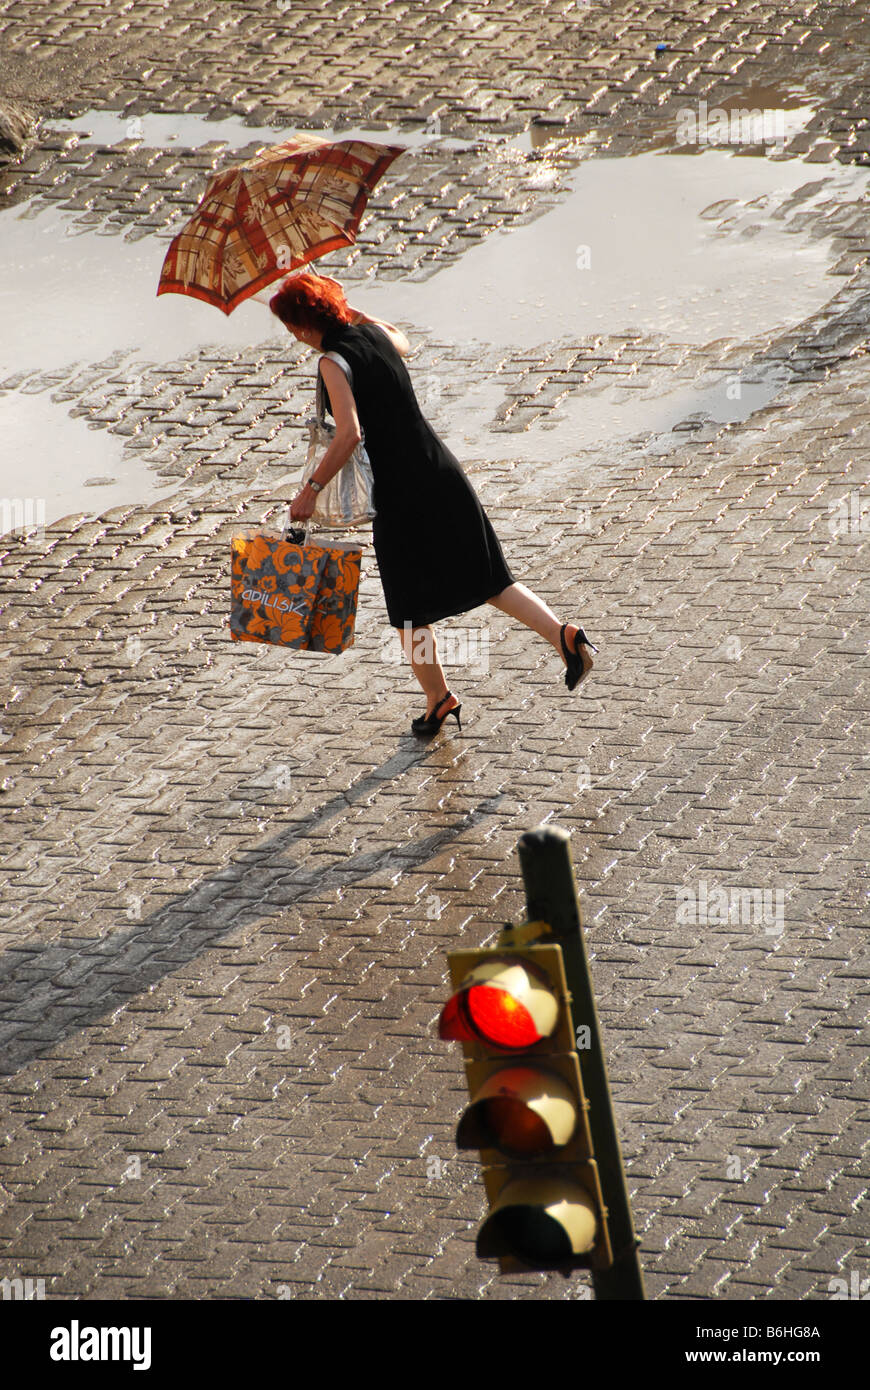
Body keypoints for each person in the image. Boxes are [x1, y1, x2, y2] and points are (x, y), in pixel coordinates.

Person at [271, 272, 597, 735]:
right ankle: (565, 637)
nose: (294, 337)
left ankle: (438, 698)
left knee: (408, 608)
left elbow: (349, 434)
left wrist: (311, 489)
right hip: (442, 470)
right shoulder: (373, 333)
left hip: (402, 493)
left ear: (302, 325)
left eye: (292, 327)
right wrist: (352, 311)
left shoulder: (332, 362)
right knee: (491, 578)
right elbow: (404, 340)